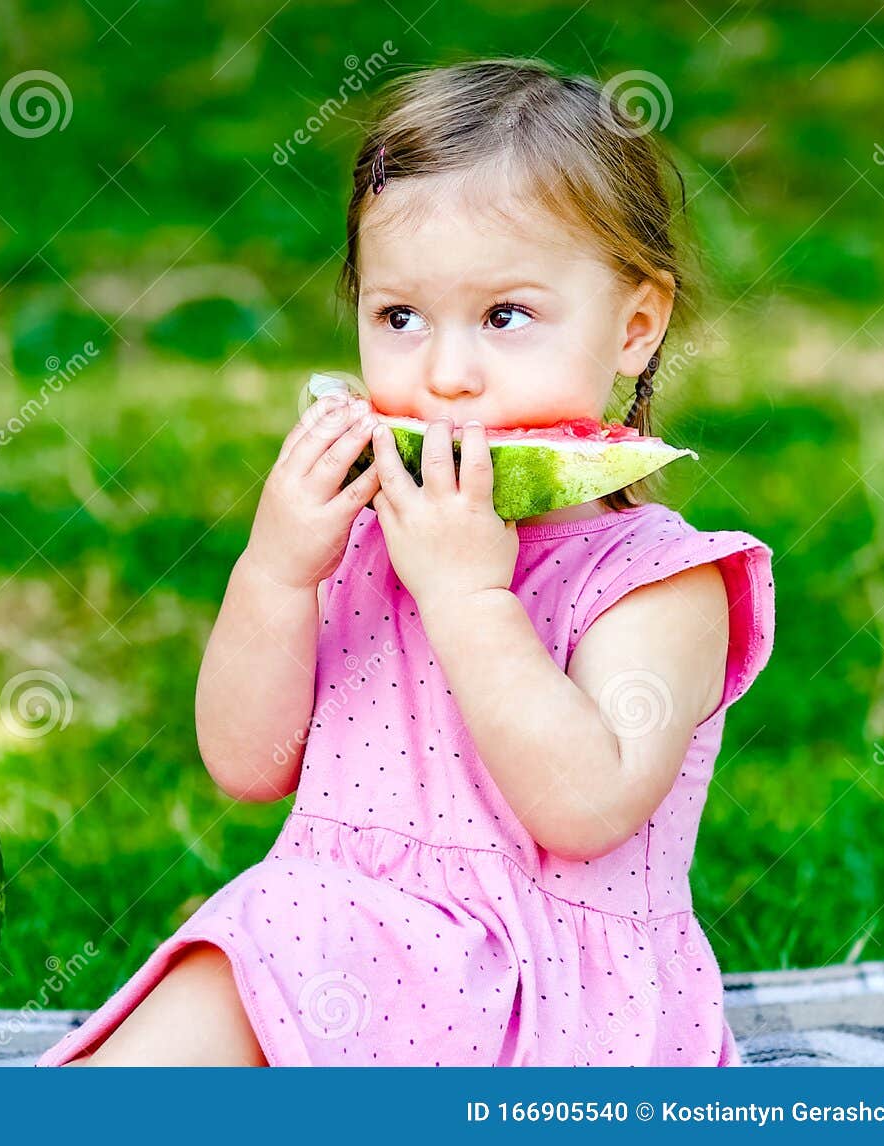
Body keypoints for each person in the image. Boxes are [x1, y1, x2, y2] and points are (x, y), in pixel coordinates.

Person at [38, 56, 774, 1067]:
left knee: (270, 934)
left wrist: (470, 594)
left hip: (545, 1013)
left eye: (504, 315)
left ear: (635, 327)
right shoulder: (369, 535)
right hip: (334, 951)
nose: (444, 372)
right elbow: (246, 765)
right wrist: (276, 573)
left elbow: (588, 805)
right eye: (399, 317)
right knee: (258, 929)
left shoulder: (659, 579)